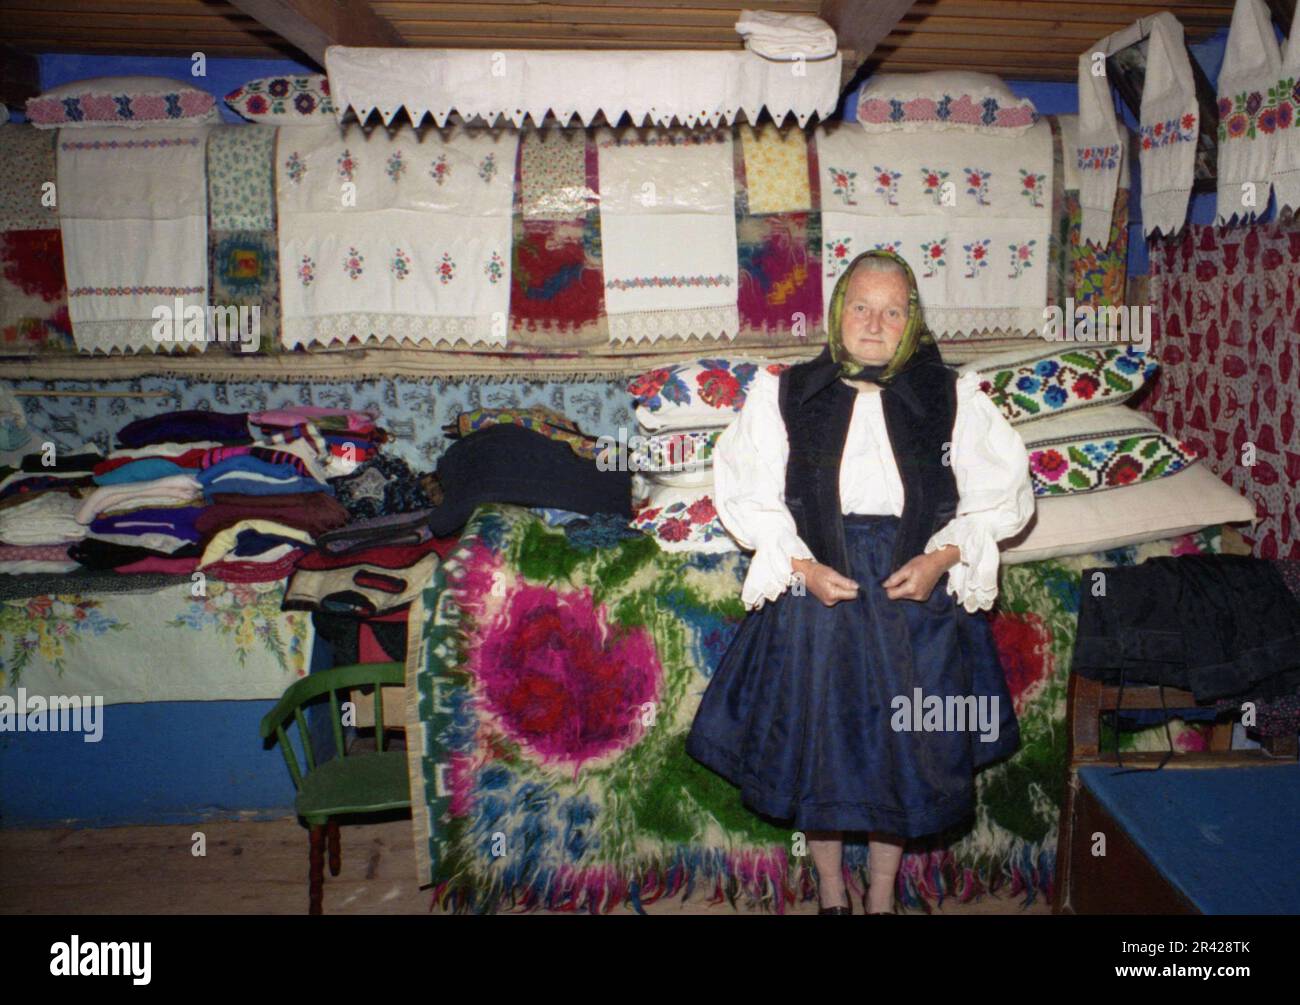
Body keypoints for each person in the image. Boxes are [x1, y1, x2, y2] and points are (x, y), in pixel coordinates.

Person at [685, 249, 1034, 915]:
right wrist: (800, 566)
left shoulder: (951, 397)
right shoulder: (786, 394)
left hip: (915, 601)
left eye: (893, 311)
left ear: (912, 322)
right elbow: (749, 497)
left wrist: (942, 560)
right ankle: (829, 889)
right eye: (861, 306)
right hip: (822, 596)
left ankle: (882, 893)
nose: (875, 322)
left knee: (901, 754)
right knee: (824, 753)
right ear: (837, 312)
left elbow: (999, 499)